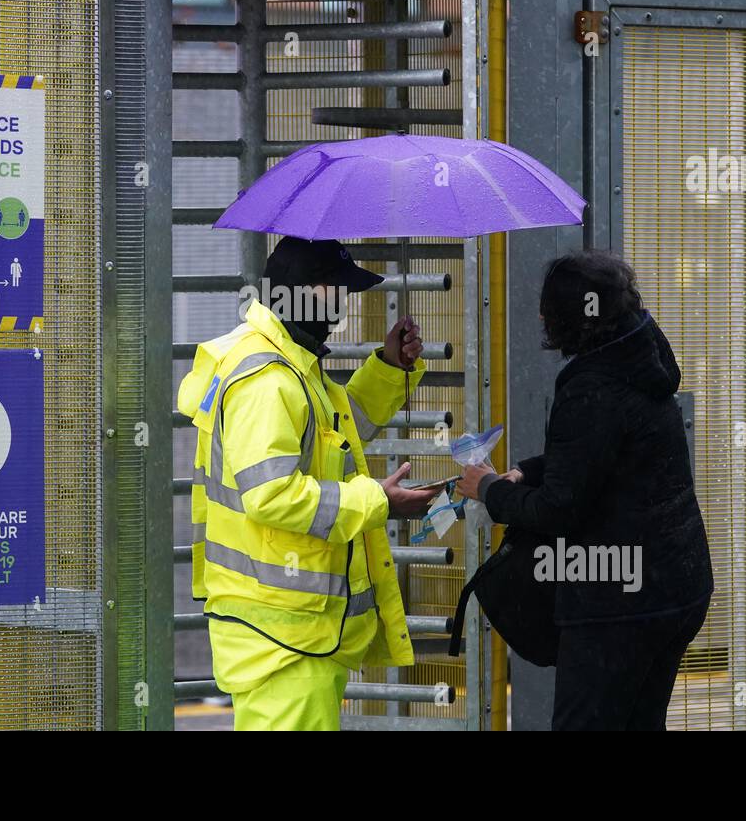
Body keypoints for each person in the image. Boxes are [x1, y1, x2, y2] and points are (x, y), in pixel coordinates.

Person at [178, 236, 441, 730]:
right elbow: (271, 495)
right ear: (305, 295)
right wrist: (376, 500)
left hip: (293, 628)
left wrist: (387, 369)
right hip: (283, 634)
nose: (345, 306)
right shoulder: (267, 380)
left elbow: (331, 438)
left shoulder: (290, 363)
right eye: (338, 292)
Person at [457, 250, 714, 730]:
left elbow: (560, 509)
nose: (540, 316)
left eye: (550, 309)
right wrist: (527, 473)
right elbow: (605, 459)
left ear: (576, 319)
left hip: (619, 601)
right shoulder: (638, 362)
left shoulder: (591, 388)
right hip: (677, 588)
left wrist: (488, 488)